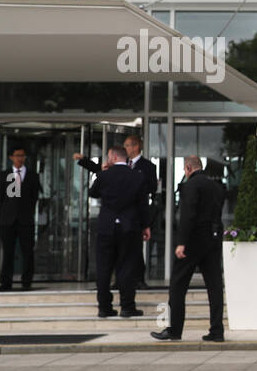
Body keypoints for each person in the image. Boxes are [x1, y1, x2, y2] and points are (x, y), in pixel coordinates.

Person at [152, 155, 225, 343]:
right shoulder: (216, 186)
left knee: (177, 285)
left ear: (187, 168)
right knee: (214, 286)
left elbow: (188, 214)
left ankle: (174, 330)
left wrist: (182, 242)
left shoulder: (191, 185)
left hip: (193, 241)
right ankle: (217, 330)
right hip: (212, 239)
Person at [75, 134, 158, 290]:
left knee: (133, 252)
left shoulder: (147, 166)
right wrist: (85, 160)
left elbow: (151, 188)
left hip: (134, 215)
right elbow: (100, 175)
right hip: (113, 220)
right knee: (116, 255)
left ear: (136, 147)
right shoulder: (113, 168)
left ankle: (137, 280)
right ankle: (120, 283)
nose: (125, 149)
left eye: (127, 145)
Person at [89, 146, 151, 318]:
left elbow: (92, 193)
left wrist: (101, 173)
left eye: (108, 157)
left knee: (104, 268)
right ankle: (127, 306)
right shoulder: (137, 177)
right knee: (127, 266)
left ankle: (104, 307)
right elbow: (143, 205)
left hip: (106, 226)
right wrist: (146, 226)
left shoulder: (104, 175)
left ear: (113, 157)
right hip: (129, 226)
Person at [0, 143, 41, 291]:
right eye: (17, 156)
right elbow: (1, 197)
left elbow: (35, 197)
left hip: (25, 220)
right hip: (7, 221)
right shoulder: (5, 174)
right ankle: (6, 281)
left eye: (22, 156)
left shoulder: (33, 175)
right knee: (8, 252)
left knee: (27, 251)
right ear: (11, 157)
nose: (20, 158)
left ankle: (27, 281)